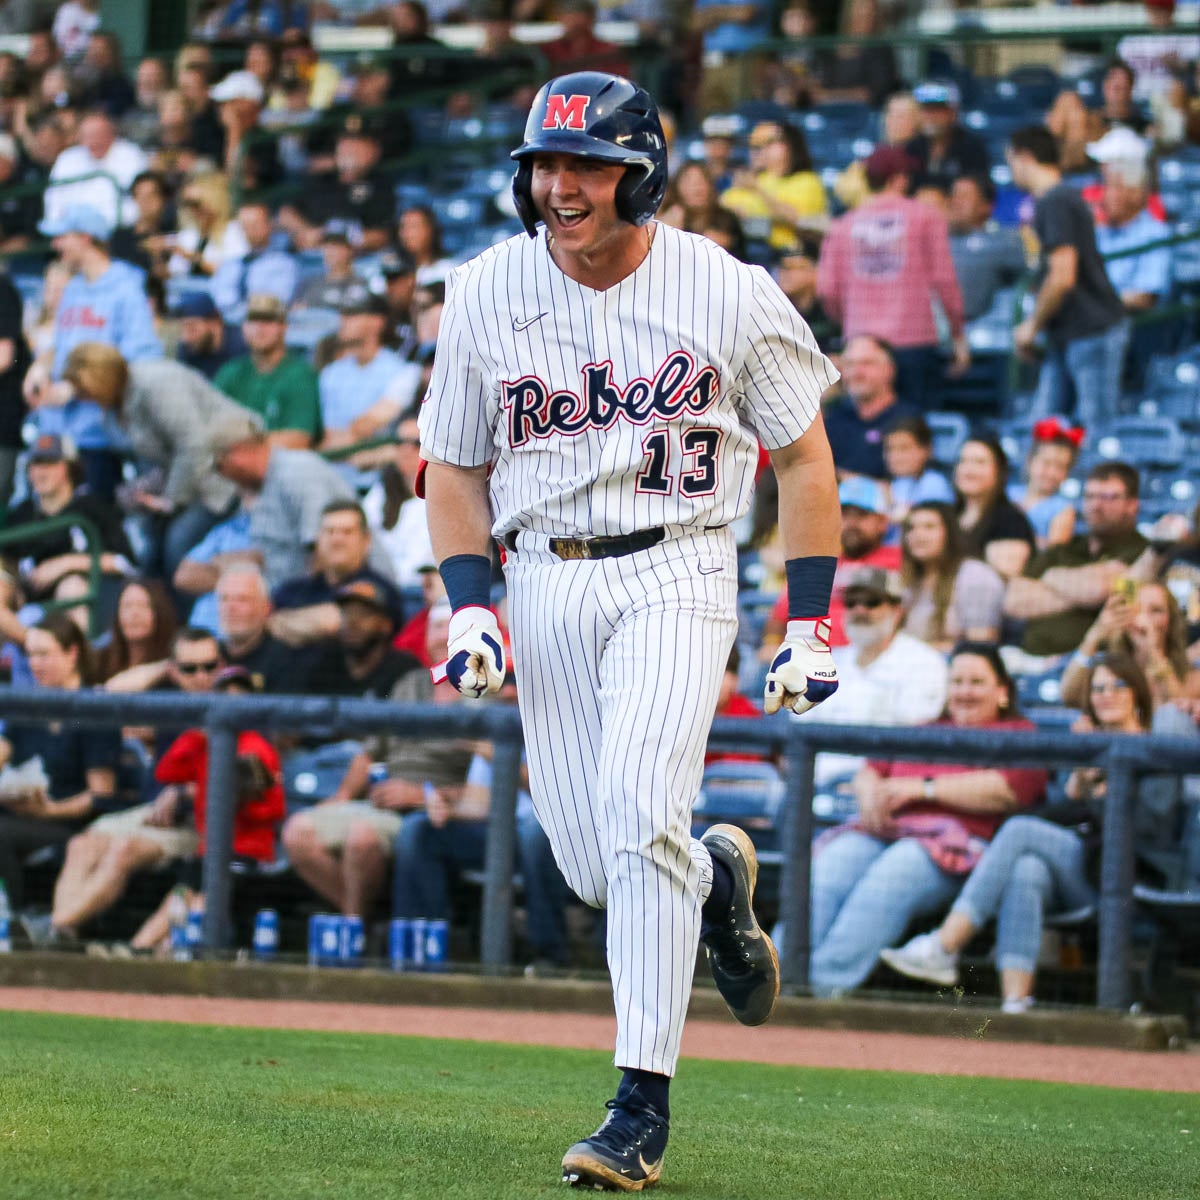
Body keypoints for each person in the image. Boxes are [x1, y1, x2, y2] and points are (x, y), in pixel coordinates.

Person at [419, 72, 842, 1191]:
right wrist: (470, 602)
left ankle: (637, 1106)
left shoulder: (727, 289)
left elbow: (803, 458)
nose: (561, 187)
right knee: (599, 870)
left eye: (588, 167)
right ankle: (715, 879)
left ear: (641, 177)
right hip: (543, 576)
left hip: (679, 562)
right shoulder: (485, 289)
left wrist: (810, 620)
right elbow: (453, 468)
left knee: (641, 811)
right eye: (545, 166)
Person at [882, 653, 1153, 1013]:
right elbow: (1054, 813)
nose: (1107, 695)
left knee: (1020, 831)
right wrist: (1079, 781)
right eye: (1098, 688)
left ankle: (945, 944)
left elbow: (1153, 827)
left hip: (1127, 875)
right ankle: (1016, 1003)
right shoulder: (1089, 748)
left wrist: (1105, 795)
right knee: (1027, 869)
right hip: (1079, 870)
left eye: (1118, 686)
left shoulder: (1156, 747)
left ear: (1137, 693)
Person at [809, 643, 1047, 997]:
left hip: (957, 850)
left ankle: (820, 986)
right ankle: (772, 975)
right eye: (957, 682)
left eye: (976, 682)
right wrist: (869, 795)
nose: (964, 691)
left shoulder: (1019, 733)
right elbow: (870, 769)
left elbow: (1009, 790)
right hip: (885, 832)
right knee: (830, 867)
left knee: (891, 874)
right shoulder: (925, 727)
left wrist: (924, 789)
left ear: (1002, 691)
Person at [35, 627, 224, 943]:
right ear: (174, 671)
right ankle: (63, 933)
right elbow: (108, 695)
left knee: (123, 849)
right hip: (149, 813)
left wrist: (182, 793)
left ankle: (51, 928)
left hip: (196, 823)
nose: (202, 676)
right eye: (190, 668)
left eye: (209, 666)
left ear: (222, 665)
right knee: (82, 845)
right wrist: (164, 667)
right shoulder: (170, 702)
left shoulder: (234, 701)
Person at [280, 597, 447, 920]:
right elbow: (371, 750)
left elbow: (488, 778)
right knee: (298, 832)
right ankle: (363, 922)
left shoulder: (487, 691)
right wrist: (343, 795)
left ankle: (352, 927)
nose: (442, 637)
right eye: (436, 627)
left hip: (437, 809)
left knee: (361, 837)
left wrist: (422, 794)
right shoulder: (410, 683)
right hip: (383, 803)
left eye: (450, 627)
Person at [61, 342, 262, 579]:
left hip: (225, 473)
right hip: (187, 479)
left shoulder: (156, 383)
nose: (83, 398)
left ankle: (194, 604)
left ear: (99, 379)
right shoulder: (115, 406)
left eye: (84, 390)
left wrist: (170, 502)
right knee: (150, 549)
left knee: (178, 544)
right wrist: (141, 492)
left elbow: (193, 444)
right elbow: (162, 459)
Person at [817, 146, 968, 410]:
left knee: (868, 420)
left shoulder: (843, 225)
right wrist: (957, 334)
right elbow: (944, 280)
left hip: (862, 344)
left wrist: (849, 322)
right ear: (899, 178)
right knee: (915, 423)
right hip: (914, 341)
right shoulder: (926, 217)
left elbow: (827, 290)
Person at [1006, 126, 1130, 427]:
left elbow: (1063, 276)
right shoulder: (1058, 198)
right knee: (1044, 426)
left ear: (1025, 157)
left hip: (1092, 329)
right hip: (1071, 331)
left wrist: (1032, 326)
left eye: (1010, 162)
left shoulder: (1056, 201)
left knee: (1095, 426)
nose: (1011, 171)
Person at [0, 614, 121, 917]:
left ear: (72, 654)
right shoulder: (27, 706)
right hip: (19, 813)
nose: (36, 664)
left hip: (68, 822)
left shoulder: (91, 709)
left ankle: (13, 921)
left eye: (44, 654)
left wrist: (48, 810)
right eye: (31, 655)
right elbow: (3, 751)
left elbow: (100, 795)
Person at [804, 566, 948, 789]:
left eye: (872, 602)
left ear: (896, 611)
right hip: (811, 785)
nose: (860, 610)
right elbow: (800, 734)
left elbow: (911, 741)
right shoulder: (825, 662)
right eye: (851, 602)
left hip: (877, 788)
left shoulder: (924, 662)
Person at [1005, 461, 1152, 661]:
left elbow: (1099, 588)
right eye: (1090, 496)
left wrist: (1049, 577)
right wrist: (1084, 594)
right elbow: (1013, 600)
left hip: (1095, 663)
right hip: (1029, 658)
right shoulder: (1066, 547)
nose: (1096, 505)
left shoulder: (1143, 552)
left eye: (1109, 497)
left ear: (1132, 505)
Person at [212, 429, 380, 588]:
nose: (221, 475)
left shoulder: (297, 471)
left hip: (348, 590)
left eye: (219, 466)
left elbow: (322, 553)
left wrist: (300, 597)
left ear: (239, 452)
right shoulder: (259, 485)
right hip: (290, 591)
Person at [761, 475, 901, 655]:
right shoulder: (815, 562)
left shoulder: (899, 561)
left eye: (862, 515)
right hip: (808, 658)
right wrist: (772, 644)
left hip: (870, 659)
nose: (851, 524)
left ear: (882, 522)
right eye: (844, 514)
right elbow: (778, 618)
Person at [2, 433, 134, 602]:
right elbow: (7, 561)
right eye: (35, 463)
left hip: (88, 599)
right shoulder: (22, 513)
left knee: (72, 588)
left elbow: (124, 562)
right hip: (29, 605)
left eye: (50, 463)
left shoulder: (93, 507)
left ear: (70, 466)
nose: (41, 471)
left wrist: (66, 563)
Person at [269, 500, 402, 647]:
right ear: (318, 539)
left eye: (347, 532)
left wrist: (283, 622)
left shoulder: (379, 588)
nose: (337, 540)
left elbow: (335, 621)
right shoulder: (294, 589)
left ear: (366, 540)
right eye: (329, 531)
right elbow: (264, 622)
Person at [1060, 580, 1193, 711]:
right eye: (1137, 609)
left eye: (1156, 610)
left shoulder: (1190, 673)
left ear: (1171, 619)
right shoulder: (1108, 667)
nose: (1144, 618)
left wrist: (1155, 654)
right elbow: (1069, 696)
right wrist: (1094, 635)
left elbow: (1179, 712)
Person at [213, 293, 322, 449]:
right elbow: (208, 424)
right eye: (253, 320)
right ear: (243, 327)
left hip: (281, 461)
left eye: (268, 321)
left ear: (284, 327)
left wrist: (239, 443)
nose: (259, 328)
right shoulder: (231, 371)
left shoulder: (301, 375)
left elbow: (299, 439)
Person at [318, 294, 420, 456]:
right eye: (342, 315)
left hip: (378, 467)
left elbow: (364, 428)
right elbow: (327, 434)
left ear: (377, 321)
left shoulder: (400, 371)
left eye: (352, 315)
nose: (342, 321)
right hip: (334, 463)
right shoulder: (332, 372)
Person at [900, 502, 1006, 652]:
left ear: (950, 533)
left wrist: (918, 653)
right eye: (911, 528)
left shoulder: (975, 576)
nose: (918, 535)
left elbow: (980, 645)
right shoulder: (907, 581)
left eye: (929, 527)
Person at [719, 121, 827, 252]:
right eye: (758, 145)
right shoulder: (756, 180)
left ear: (791, 145)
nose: (763, 148)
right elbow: (724, 204)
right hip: (749, 250)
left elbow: (797, 219)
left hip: (791, 251)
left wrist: (758, 191)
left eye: (771, 142)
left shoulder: (807, 181)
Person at [823, 335, 918, 482]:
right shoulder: (833, 418)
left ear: (890, 369)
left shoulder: (908, 420)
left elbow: (905, 486)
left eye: (866, 363)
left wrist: (840, 478)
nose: (856, 373)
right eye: (849, 365)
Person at [43, 108, 147, 230]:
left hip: (120, 228)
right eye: (88, 137)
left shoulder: (131, 154)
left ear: (111, 134)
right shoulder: (67, 159)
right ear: (80, 138)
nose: (94, 141)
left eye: (99, 135)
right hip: (73, 231)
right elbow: (53, 199)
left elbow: (140, 199)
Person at [946, 174, 1028, 324]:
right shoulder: (935, 242)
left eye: (964, 196)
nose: (955, 202)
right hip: (934, 331)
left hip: (984, 329)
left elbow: (1031, 281)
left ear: (986, 206)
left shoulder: (1005, 242)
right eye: (953, 195)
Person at [953, 435, 1036, 581]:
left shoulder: (1012, 521)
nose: (968, 469)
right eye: (963, 461)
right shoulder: (949, 515)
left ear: (999, 471)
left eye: (979, 462)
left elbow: (1006, 578)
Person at [210, 200, 300, 326]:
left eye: (255, 224)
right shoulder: (230, 264)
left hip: (261, 326)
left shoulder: (284, 265)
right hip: (223, 325)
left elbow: (272, 305)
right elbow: (217, 297)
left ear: (269, 224)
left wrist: (235, 311)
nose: (250, 230)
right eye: (245, 225)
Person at [1007, 418, 1082, 550]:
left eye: (1060, 466)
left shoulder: (1063, 509)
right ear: (1030, 461)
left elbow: (1054, 552)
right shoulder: (1009, 493)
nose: (1051, 473)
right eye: (1046, 463)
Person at [904, 81, 991, 193]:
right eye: (926, 110)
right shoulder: (911, 148)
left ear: (953, 112)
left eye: (937, 110)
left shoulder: (972, 149)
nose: (930, 116)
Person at [94, 577, 177, 689]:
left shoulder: (174, 662)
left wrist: (163, 667)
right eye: (127, 606)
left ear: (158, 613)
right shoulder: (101, 660)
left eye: (144, 606)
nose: (135, 614)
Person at [882, 415, 954, 527]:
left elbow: (925, 524)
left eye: (904, 448)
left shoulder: (935, 483)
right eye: (889, 449)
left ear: (927, 450)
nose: (895, 457)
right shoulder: (900, 484)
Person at [775, 239, 841, 355]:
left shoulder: (833, 309)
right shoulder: (777, 310)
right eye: (782, 267)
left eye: (793, 267)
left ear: (815, 271)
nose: (784, 273)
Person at [294, 222, 371, 311]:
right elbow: (296, 311)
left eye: (337, 245)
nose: (330, 251)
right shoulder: (310, 283)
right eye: (326, 246)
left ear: (351, 250)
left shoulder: (364, 282)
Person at [172, 292, 245, 380]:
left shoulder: (243, 347)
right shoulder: (187, 349)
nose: (185, 338)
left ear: (215, 322)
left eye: (192, 328)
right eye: (181, 329)